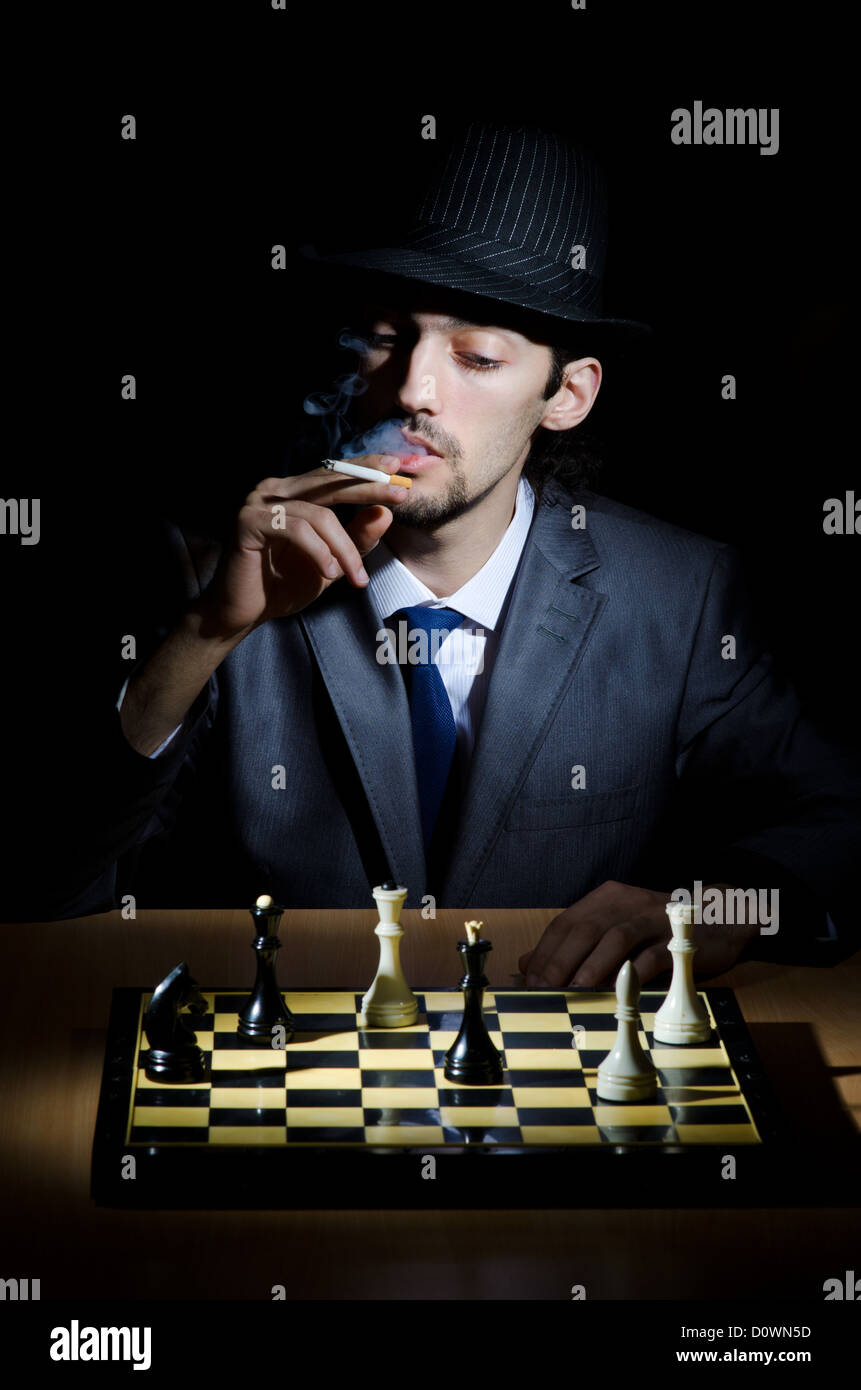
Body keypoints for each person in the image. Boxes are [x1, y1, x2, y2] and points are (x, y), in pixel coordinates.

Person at [45, 122, 860, 984]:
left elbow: (838, 824)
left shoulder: (682, 593)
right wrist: (208, 630)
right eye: (387, 337)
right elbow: (48, 889)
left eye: (474, 355)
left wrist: (707, 908)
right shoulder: (211, 573)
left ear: (566, 395)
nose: (412, 390)